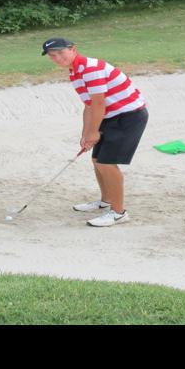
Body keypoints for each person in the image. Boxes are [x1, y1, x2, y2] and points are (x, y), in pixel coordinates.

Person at [41, 37, 147, 228]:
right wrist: (86, 134)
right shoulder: (75, 72)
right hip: (111, 116)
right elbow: (89, 106)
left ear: (73, 49)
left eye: (60, 53)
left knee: (107, 164)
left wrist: (94, 133)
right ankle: (106, 201)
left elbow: (99, 103)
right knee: (97, 160)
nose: (57, 58)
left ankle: (118, 213)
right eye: (52, 55)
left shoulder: (90, 69)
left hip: (128, 116)